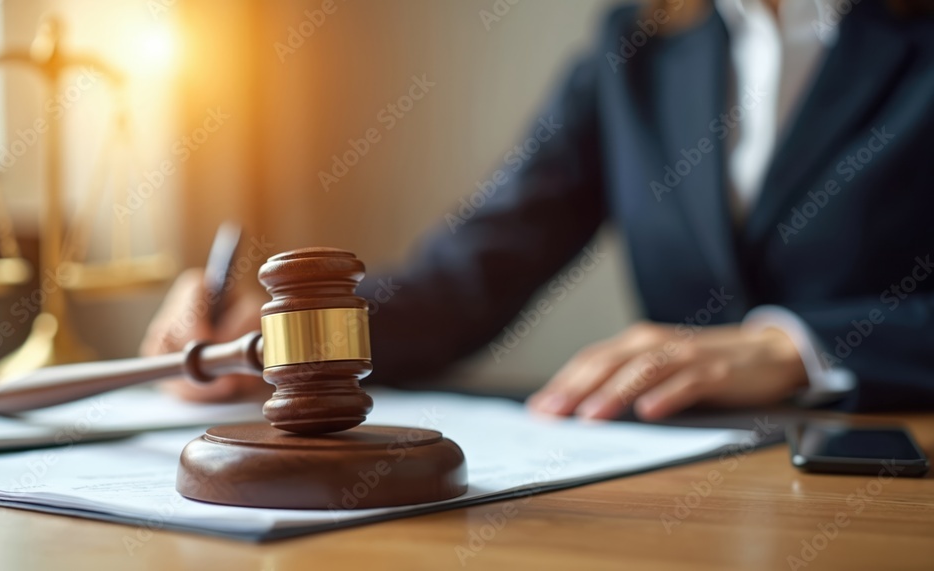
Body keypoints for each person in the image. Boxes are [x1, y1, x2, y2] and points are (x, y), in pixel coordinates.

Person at [142, 0, 934, 417]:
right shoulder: (638, 48)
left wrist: (800, 348)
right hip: (689, 496)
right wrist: (289, 339)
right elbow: (472, 274)